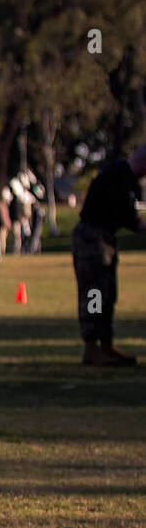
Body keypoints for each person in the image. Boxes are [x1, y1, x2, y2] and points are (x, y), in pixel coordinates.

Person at [72, 144, 146, 366]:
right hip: (92, 239)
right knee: (94, 292)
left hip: (105, 238)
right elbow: (130, 218)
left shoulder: (129, 181)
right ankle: (91, 347)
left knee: (107, 293)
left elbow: (132, 219)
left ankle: (106, 346)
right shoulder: (118, 175)